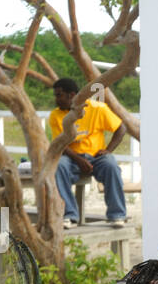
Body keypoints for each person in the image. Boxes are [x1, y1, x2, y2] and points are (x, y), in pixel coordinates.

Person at [48, 77, 127, 229]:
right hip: (71, 158)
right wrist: (78, 159)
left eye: (59, 95)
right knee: (59, 166)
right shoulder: (55, 115)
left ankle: (117, 215)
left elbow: (121, 128)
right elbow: (60, 144)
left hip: (97, 157)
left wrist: (108, 150)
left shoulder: (98, 108)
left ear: (71, 95)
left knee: (111, 165)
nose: (56, 99)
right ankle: (70, 216)